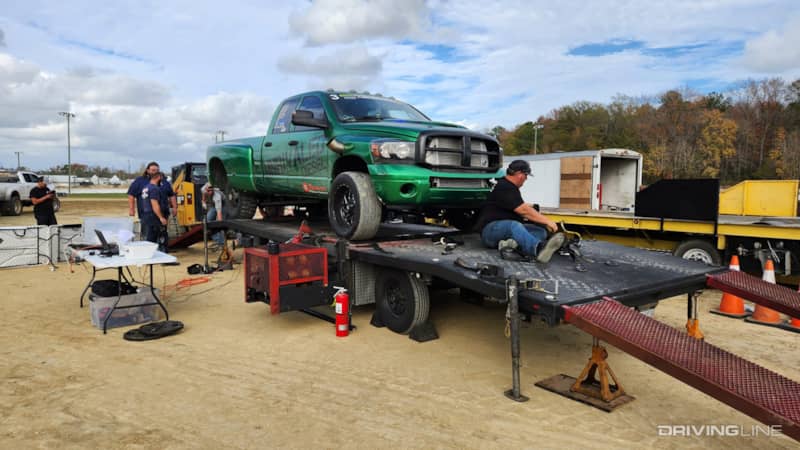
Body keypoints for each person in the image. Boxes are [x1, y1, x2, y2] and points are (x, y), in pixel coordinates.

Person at [475, 159, 566, 263]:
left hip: (502, 231)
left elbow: (516, 205)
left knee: (539, 231)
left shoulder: (510, 188)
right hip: (489, 232)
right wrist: (548, 221)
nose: (526, 179)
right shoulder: (505, 186)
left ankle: (512, 244)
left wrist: (534, 209)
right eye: (526, 175)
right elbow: (523, 210)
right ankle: (537, 249)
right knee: (514, 226)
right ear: (519, 174)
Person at [127, 162, 177, 248]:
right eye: (153, 170)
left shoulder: (164, 182)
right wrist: (132, 209)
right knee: (149, 236)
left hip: (163, 213)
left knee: (162, 235)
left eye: (157, 170)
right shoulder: (141, 181)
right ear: (147, 170)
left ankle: (162, 251)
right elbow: (131, 194)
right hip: (147, 214)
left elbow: (171, 194)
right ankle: (151, 253)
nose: (155, 172)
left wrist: (175, 207)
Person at [140, 172, 169, 252]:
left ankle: (148, 254)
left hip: (146, 215)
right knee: (161, 237)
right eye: (162, 178)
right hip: (154, 216)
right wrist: (161, 217)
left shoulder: (146, 187)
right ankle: (164, 258)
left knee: (150, 237)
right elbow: (154, 204)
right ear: (158, 177)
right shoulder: (154, 189)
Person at [201, 181, 225, 246]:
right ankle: (217, 240)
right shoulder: (203, 189)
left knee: (220, 224)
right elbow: (203, 195)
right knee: (207, 221)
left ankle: (222, 243)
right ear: (206, 189)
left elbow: (219, 212)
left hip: (223, 205)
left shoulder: (217, 196)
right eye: (208, 191)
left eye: (211, 191)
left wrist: (220, 224)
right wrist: (204, 202)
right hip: (213, 205)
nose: (210, 192)